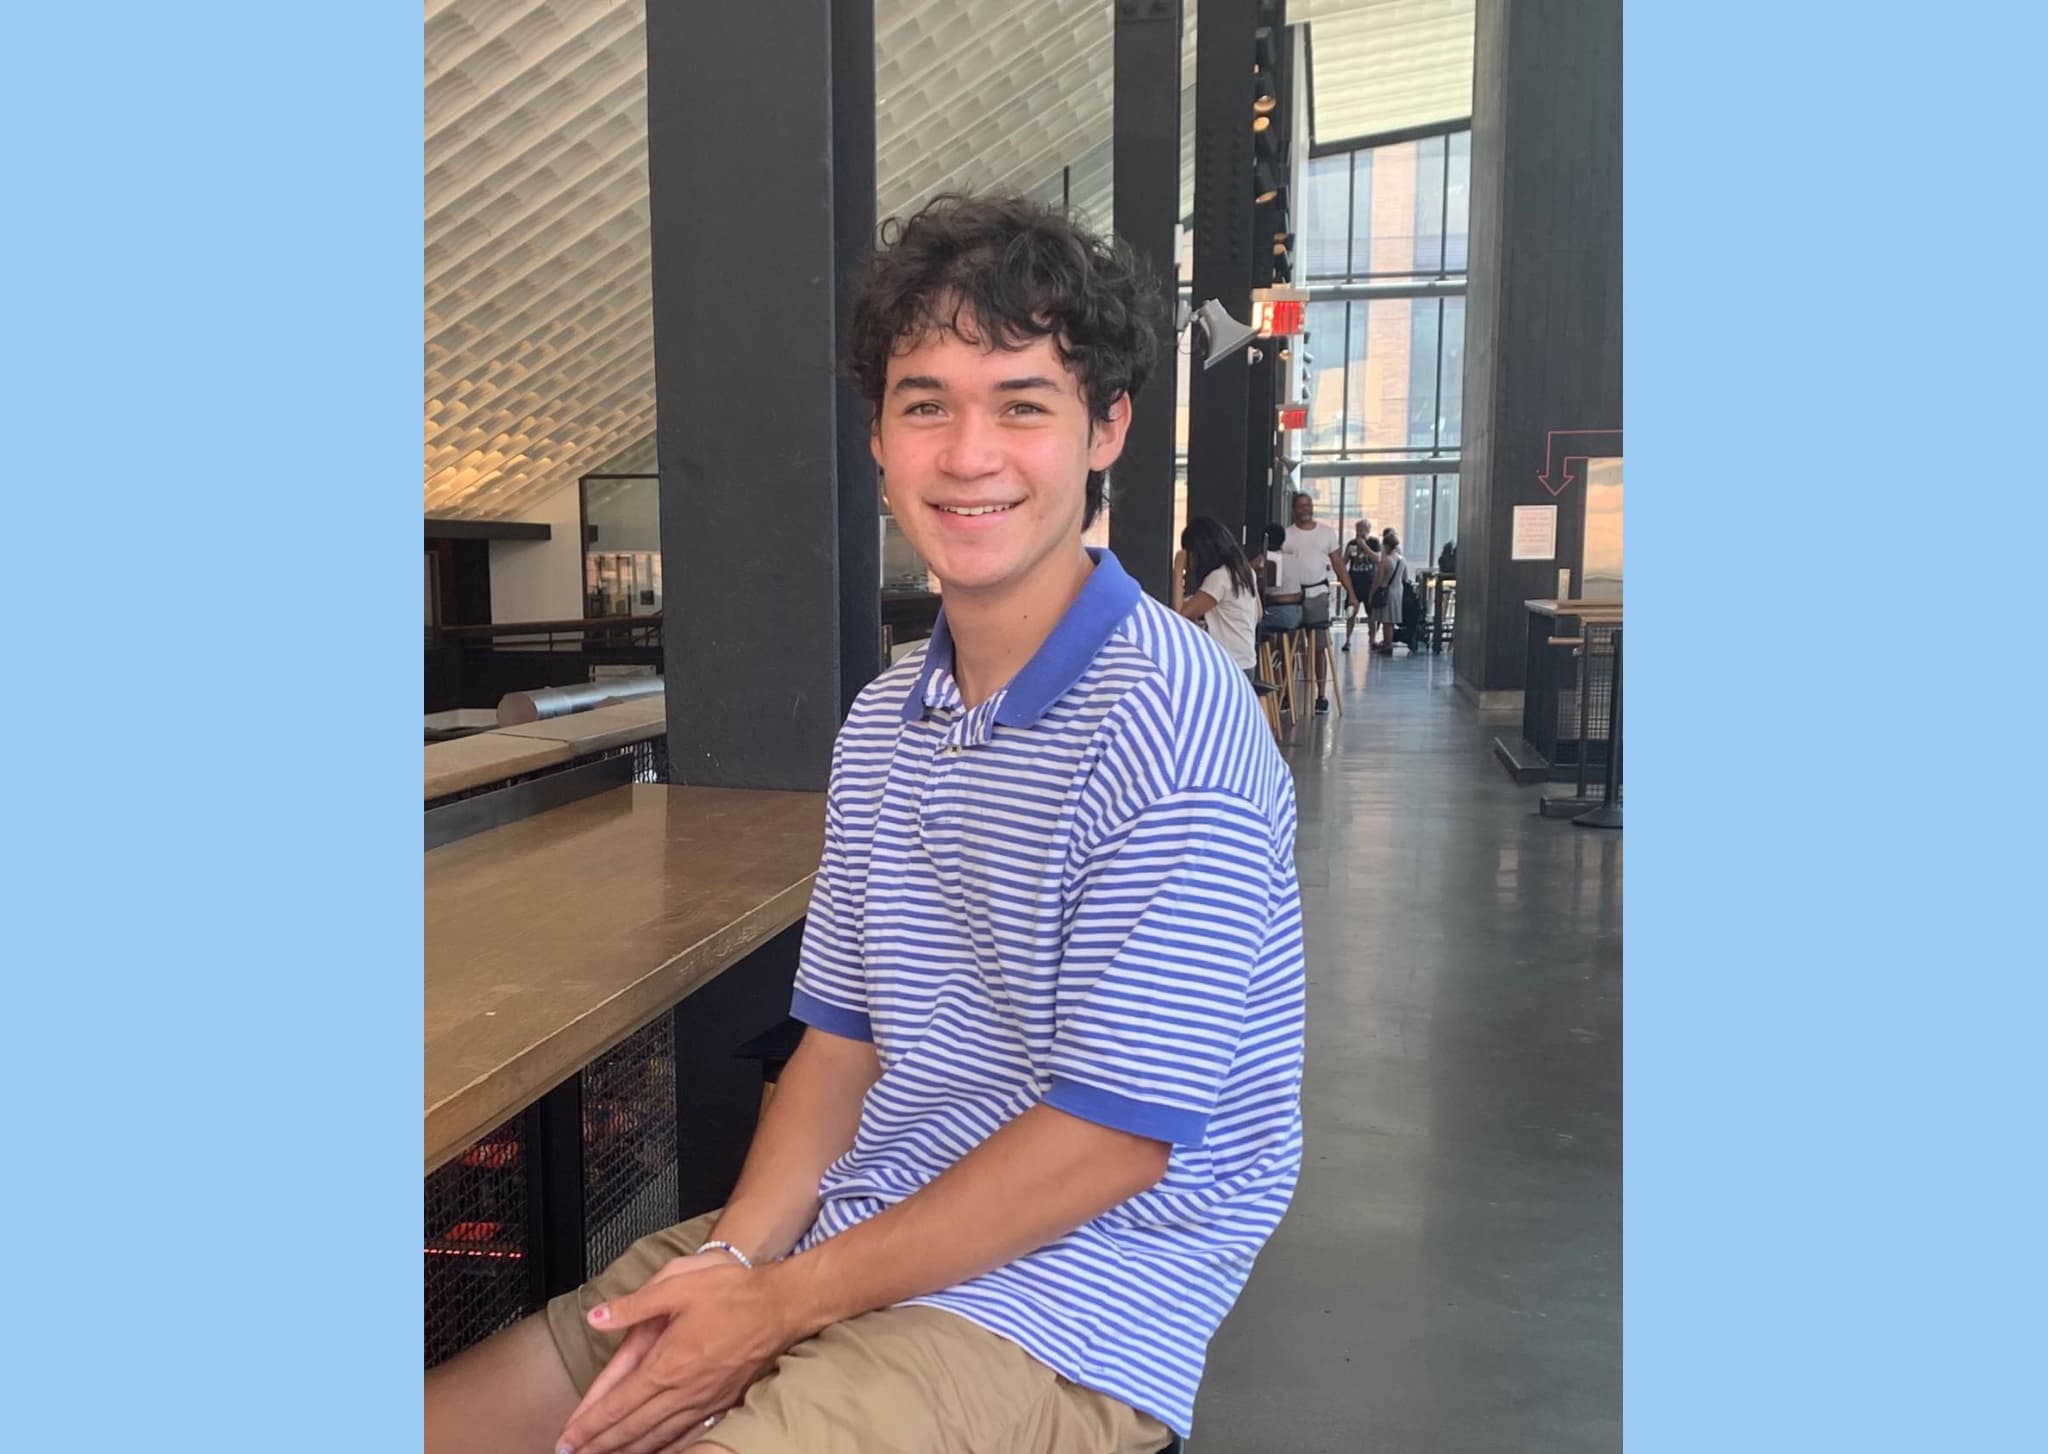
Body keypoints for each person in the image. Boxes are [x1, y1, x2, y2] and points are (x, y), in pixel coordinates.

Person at [425, 193, 1306, 1454]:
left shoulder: (1175, 722)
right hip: (849, 1226)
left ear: (1104, 429)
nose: (968, 452)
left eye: (1021, 402)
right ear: (879, 438)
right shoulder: (892, 712)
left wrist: (774, 1302)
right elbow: (838, 1046)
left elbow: (1109, 1139)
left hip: (1068, 1301)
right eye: (924, 402)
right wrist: (733, 1262)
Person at [1282, 491, 1348, 712]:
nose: (1305, 509)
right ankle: (1286, 693)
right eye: (1300, 506)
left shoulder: (1327, 533)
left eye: (1308, 505)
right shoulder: (1286, 535)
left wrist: (1352, 594)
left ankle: (1321, 694)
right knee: (1288, 646)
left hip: (1317, 594)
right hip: (1291, 595)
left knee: (1319, 646)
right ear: (1293, 509)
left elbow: (1338, 564)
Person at [1177, 515, 1260, 683]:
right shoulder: (1244, 572)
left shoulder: (1219, 577)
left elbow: (1180, 616)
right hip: (1247, 662)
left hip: (1227, 666)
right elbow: (1258, 614)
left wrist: (1178, 571)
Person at [1254, 520, 1301, 633]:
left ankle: (1263, 650)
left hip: (1277, 613)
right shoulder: (1293, 558)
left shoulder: (1268, 559)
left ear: (1264, 540)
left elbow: (1246, 572)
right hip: (1298, 612)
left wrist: (1261, 555)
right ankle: (1277, 649)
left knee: (1251, 624)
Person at [1341, 517, 1379, 652]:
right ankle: (1347, 640)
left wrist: (1364, 545)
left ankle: (1372, 639)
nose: (1360, 533)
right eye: (1358, 530)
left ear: (1368, 531)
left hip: (1369, 584)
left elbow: (1377, 558)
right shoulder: (1351, 544)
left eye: (1363, 530)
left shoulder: (1374, 543)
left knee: (1371, 614)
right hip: (1354, 585)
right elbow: (1344, 561)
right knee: (1351, 613)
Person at [1371, 526, 1410, 656]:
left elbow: (1378, 579)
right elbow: (1405, 577)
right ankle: (1388, 643)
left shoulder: (1385, 561)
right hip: (1398, 591)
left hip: (1386, 592)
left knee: (1386, 621)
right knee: (1391, 621)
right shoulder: (1402, 559)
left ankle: (1387, 646)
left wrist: (1372, 593)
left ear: (1387, 546)